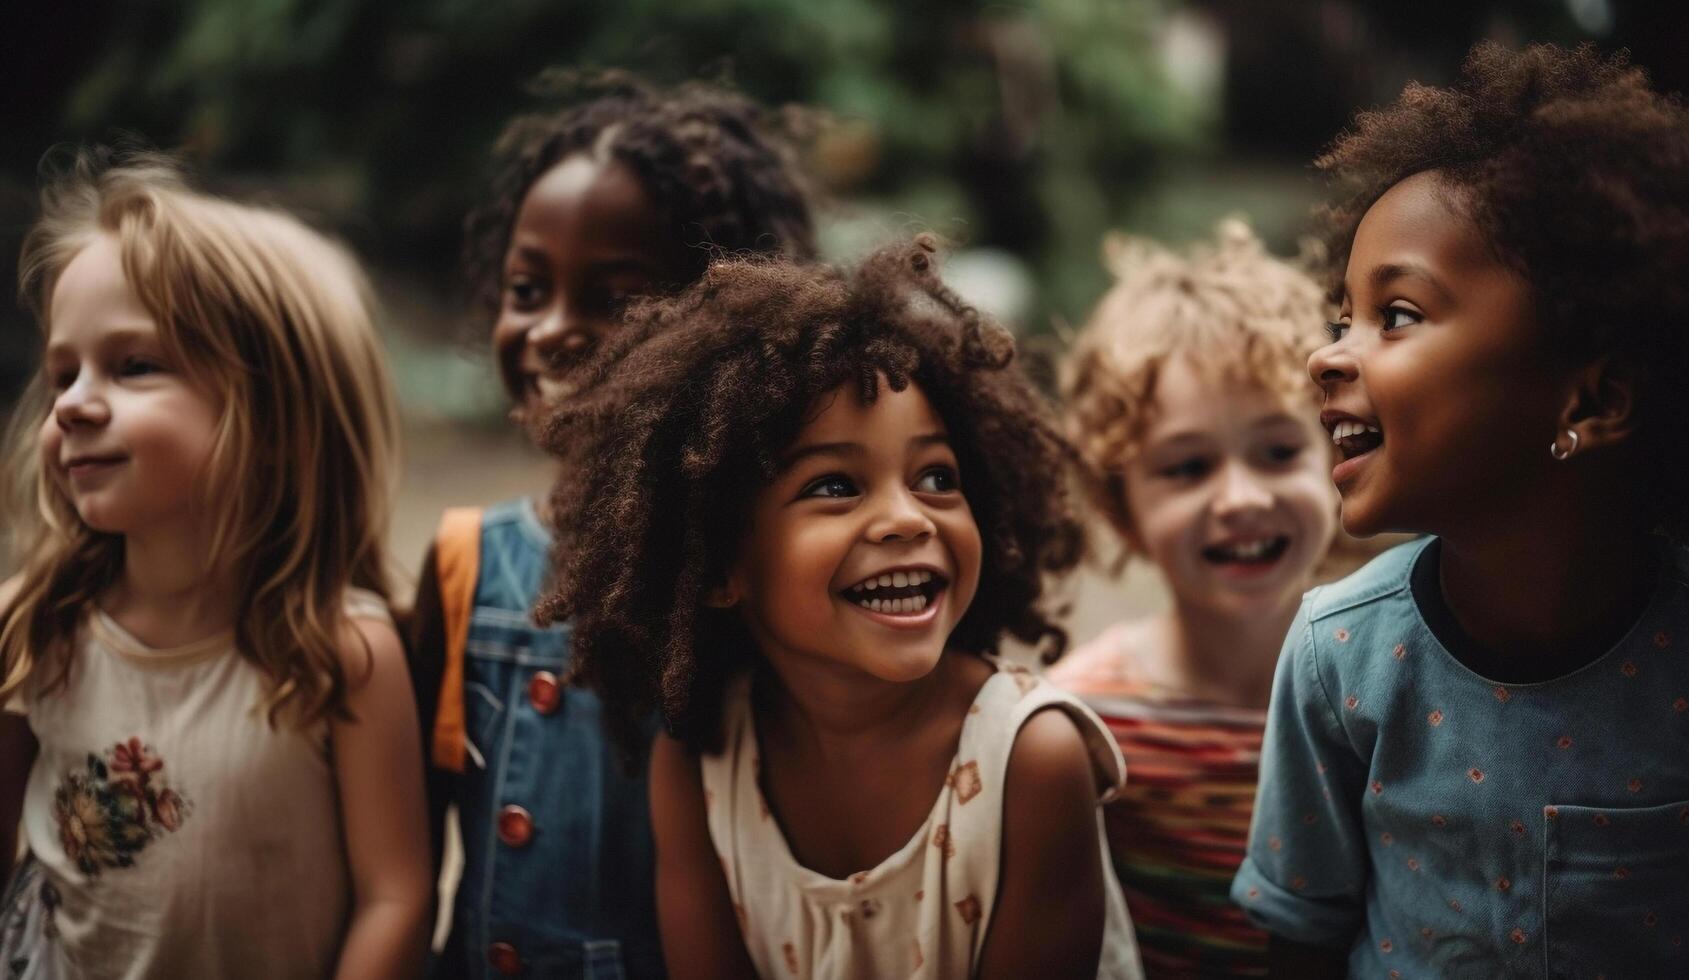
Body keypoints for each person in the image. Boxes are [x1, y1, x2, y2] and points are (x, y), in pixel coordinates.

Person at [531, 237, 1143, 979]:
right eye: (833, 486)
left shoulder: (1032, 761)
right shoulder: (698, 759)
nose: (908, 518)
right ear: (721, 564)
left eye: (935, 476)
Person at [1231, 43, 1689, 978]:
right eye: (1342, 319)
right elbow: (1300, 935)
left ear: (1591, 401)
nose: (1327, 358)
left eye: (1397, 315)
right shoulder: (1339, 654)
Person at [407, 71, 815, 979]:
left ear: (722, 317)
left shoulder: (743, 580)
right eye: (526, 288)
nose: (553, 329)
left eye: (615, 297)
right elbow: (408, 867)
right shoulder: (465, 566)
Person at [0, 155, 430, 978]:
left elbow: (396, 896)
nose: (70, 404)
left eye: (133, 366)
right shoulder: (33, 626)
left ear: (274, 415)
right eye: (63, 372)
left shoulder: (338, 653)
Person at [1049, 220, 1338, 978]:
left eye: (1279, 452)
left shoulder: (1390, 694)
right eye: (1186, 467)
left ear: (1338, 455)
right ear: (1120, 507)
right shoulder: (1083, 725)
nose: (1240, 497)